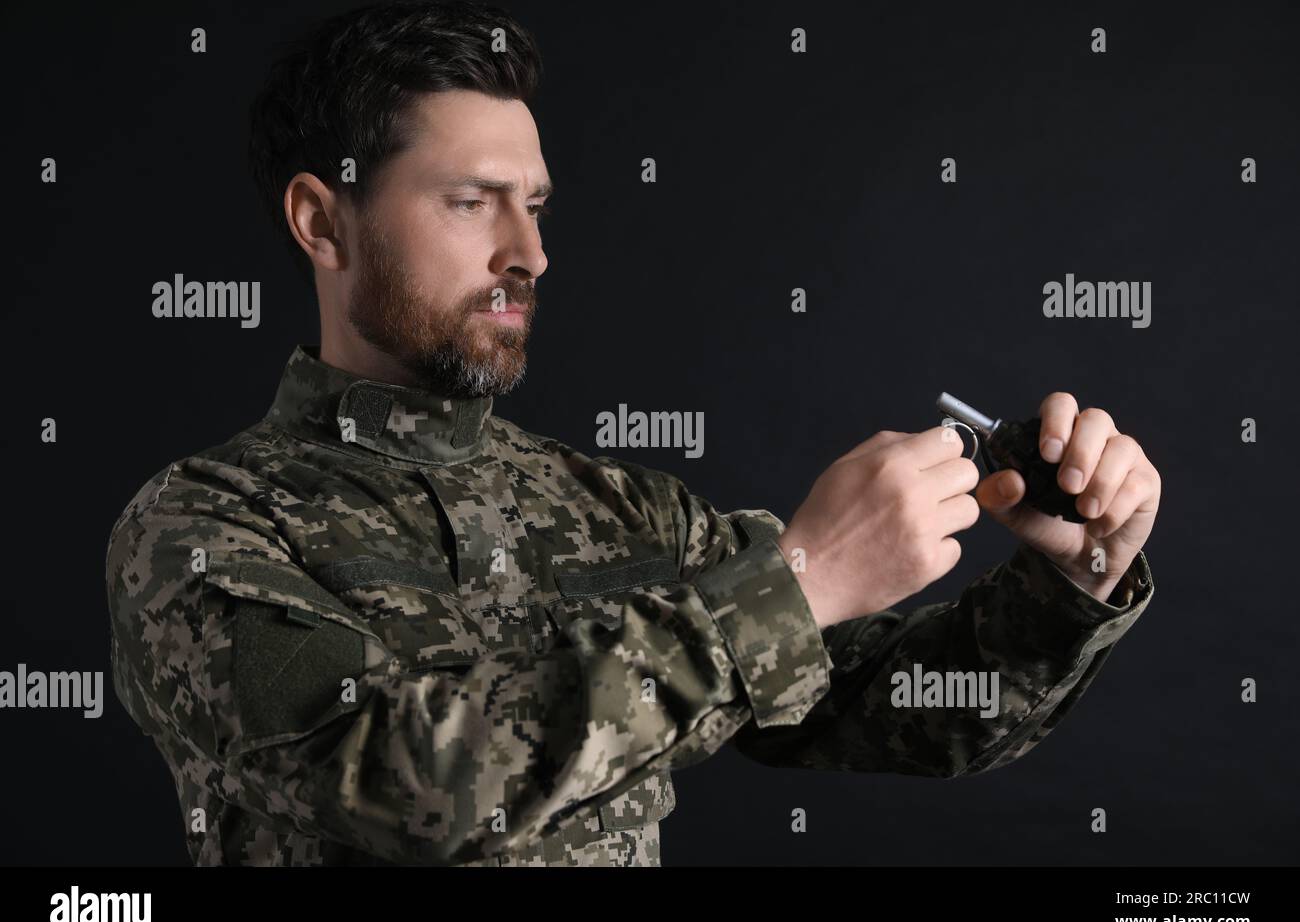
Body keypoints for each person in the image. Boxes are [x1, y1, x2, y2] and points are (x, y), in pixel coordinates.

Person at [106, 0, 1159, 866]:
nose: (530, 254)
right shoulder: (200, 524)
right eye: (473, 203)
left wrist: (1070, 583)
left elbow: (894, 709)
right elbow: (399, 784)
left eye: (537, 207)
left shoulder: (614, 507)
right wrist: (792, 583)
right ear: (321, 220)